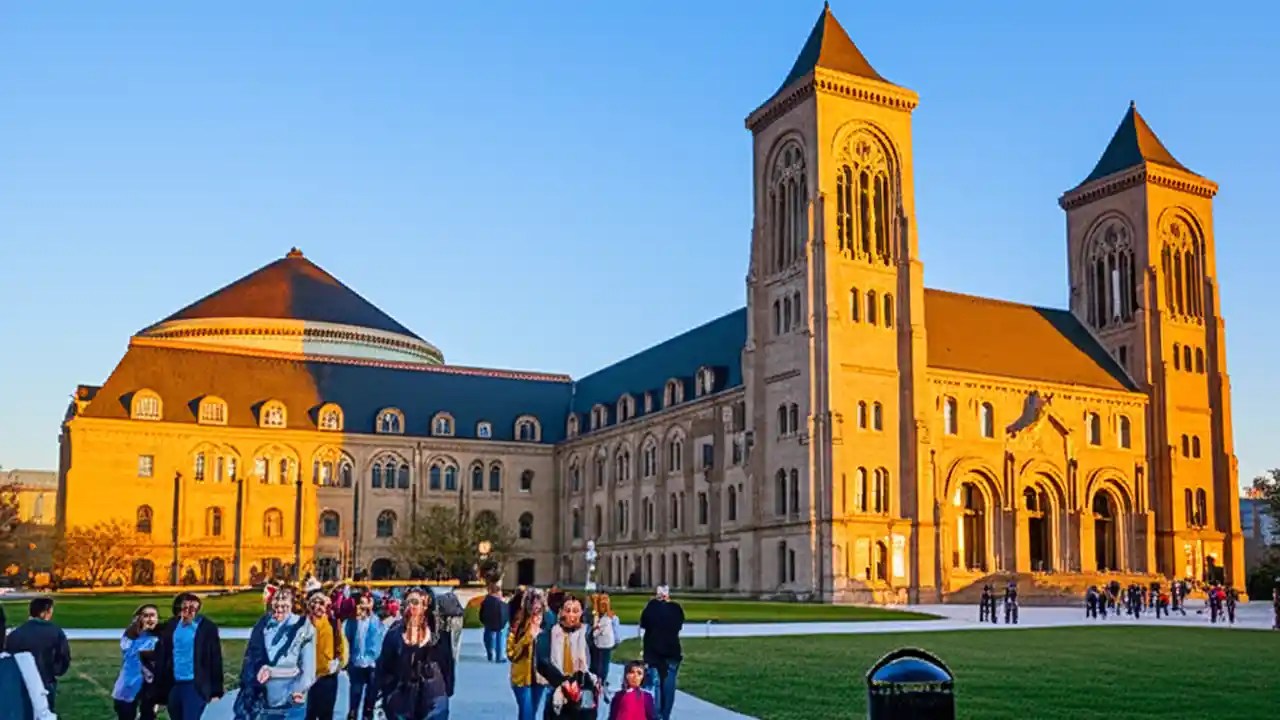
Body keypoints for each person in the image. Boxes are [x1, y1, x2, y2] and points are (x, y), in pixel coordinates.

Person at [233, 584, 316, 720]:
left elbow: (307, 671)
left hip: (289, 702)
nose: (279, 607)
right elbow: (250, 658)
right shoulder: (263, 624)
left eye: (284, 603)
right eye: (276, 602)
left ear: (292, 604)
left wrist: (296, 690)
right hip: (260, 701)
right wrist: (248, 685)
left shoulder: (304, 627)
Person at [377, 587, 454, 719]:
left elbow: (447, 665)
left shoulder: (439, 636)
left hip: (433, 697)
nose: (410, 607)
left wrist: (446, 691)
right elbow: (384, 667)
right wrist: (387, 694)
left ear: (425, 606)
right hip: (402, 699)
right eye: (407, 603)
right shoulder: (394, 634)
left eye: (415, 602)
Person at [155, 592, 225, 720]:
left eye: (193, 608)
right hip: (174, 686)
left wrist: (216, 691)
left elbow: (215, 660)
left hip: (194, 686)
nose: (189, 611)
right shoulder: (170, 626)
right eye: (185, 607)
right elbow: (162, 658)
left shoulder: (206, 628)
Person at [534, 595, 600, 719]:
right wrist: (563, 682)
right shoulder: (549, 634)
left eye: (575, 611)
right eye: (567, 610)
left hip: (583, 687)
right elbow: (542, 662)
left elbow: (599, 659)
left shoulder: (588, 633)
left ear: (581, 613)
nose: (571, 615)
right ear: (561, 612)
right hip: (557, 685)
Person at [3, 597, 70, 712]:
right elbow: (64, 657)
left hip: (21, 682)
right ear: (45, 612)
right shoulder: (55, 631)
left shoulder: (16, 634)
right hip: (46, 679)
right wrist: (55, 671)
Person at [638, 586, 683, 720]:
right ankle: (665, 715)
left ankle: (657, 716)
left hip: (654, 652)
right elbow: (679, 625)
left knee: (656, 685)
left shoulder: (651, 607)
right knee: (669, 686)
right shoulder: (676, 609)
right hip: (672, 651)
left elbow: (643, 623)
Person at [112, 603, 161, 720]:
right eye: (146, 616)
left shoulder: (160, 636)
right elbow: (134, 653)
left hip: (149, 687)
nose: (151, 619)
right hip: (128, 685)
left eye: (153, 615)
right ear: (139, 618)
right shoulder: (130, 636)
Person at [343, 589, 386, 720]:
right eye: (359, 603)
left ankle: (367, 715)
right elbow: (347, 640)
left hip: (372, 664)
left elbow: (376, 644)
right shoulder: (351, 622)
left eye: (364, 603)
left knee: (371, 695)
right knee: (355, 692)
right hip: (356, 663)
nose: (361, 606)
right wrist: (348, 659)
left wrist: (369, 657)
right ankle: (352, 714)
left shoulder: (375, 622)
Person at [305, 589, 347, 720]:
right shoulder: (304, 623)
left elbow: (341, 644)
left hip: (328, 675)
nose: (317, 606)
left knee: (326, 713)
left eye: (321, 603)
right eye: (314, 603)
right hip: (309, 676)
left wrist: (339, 662)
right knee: (310, 713)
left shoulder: (333, 622)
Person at [508, 590, 548, 720]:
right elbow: (512, 654)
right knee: (527, 715)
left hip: (540, 678)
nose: (537, 613)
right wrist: (528, 636)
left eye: (539, 609)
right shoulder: (518, 625)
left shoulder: (548, 626)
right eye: (534, 608)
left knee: (530, 714)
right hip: (522, 678)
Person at [589, 594, 621, 693]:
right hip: (596, 643)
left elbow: (615, 629)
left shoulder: (610, 618)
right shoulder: (595, 615)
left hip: (604, 643)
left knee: (603, 663)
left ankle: (601, 680)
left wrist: (616, 640)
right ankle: (596, 680)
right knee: (596, 663)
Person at [480, 584, 509, 664]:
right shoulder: (500, 603)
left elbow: (481, 613)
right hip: (499, 622)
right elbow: (505, 613)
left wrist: (483, 621)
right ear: (497, 592)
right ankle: (498, 657)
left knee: (488, 637)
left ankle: (489, 653)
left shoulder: (485, 601)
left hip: (488, 622)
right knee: (499, 639)